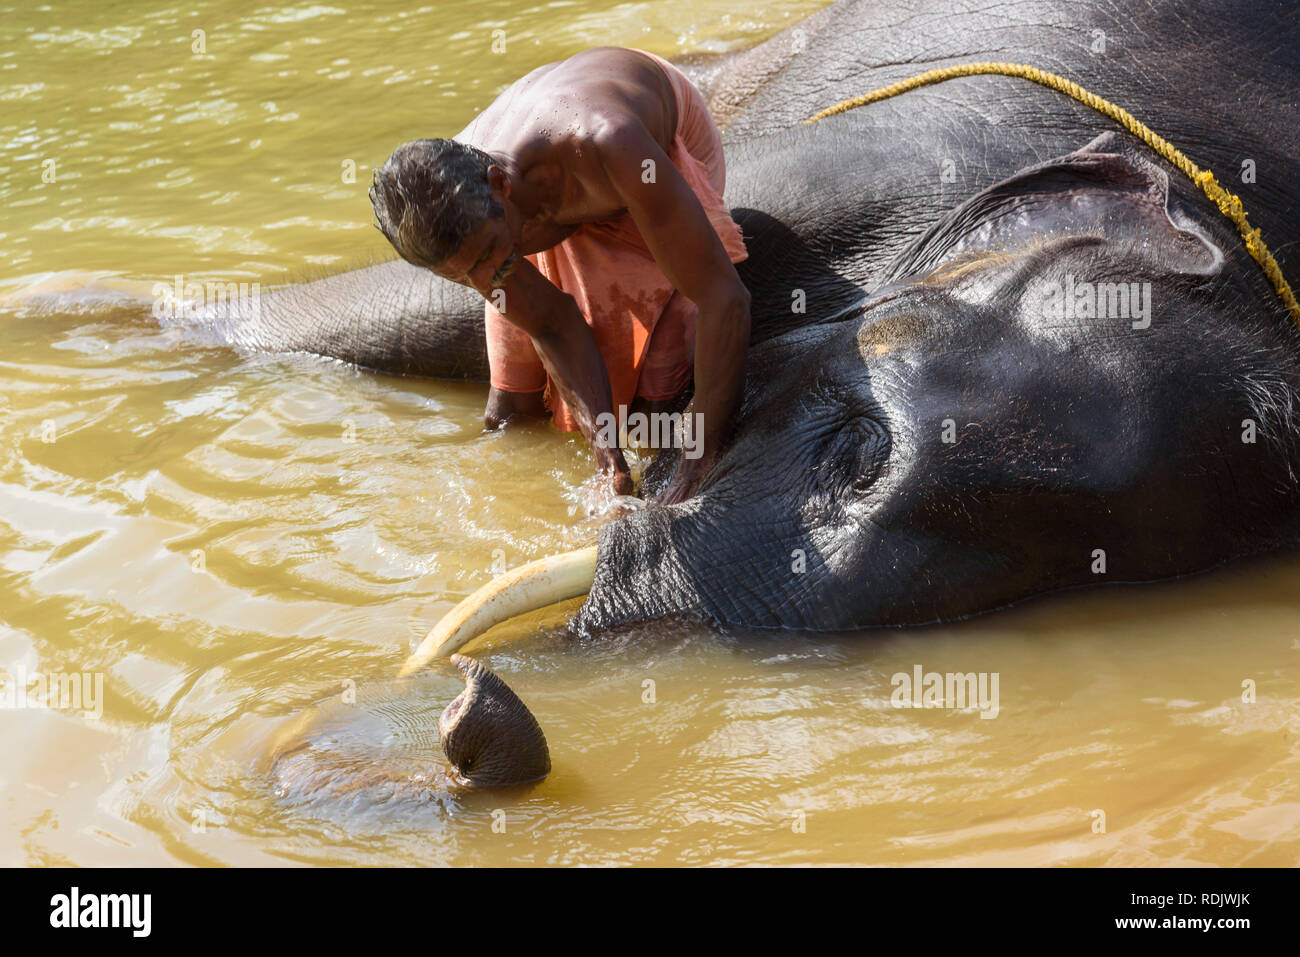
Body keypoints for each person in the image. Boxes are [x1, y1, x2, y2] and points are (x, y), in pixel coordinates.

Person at [369, 46, 750, 504]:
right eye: (464, 276)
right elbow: (551, 324)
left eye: (489, 256)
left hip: (637, 158)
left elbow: (722, 298)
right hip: (530, 196)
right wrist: (607, 462)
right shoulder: (456, 217)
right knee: (512, 407)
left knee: (653, 407)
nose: (491, 279)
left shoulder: (612, 143)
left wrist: (698, 454)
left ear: (500, 184)